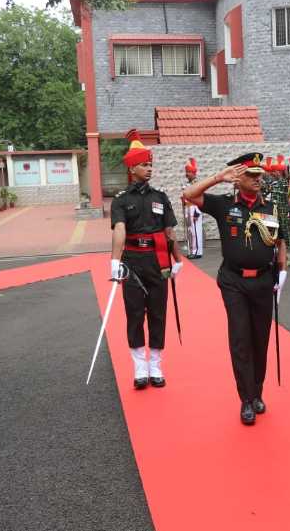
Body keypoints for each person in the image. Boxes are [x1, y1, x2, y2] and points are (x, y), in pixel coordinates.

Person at [182, 152, 288, 425]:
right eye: (251, 175)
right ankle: (246, 399)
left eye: (259, 175)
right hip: (234, 282)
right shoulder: (224, 204)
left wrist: (283, 272)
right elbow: (189, 195)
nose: (258, 179)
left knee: (260, 340)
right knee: (241, 339)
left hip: (264, 280)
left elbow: (280, 242)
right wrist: (218, 177)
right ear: (238, 179)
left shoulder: (271, 207)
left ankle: (258, 392)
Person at [110, 131, 183, 390]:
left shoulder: (160, 197)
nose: (149, 168)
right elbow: (120, 229)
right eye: (144, 164)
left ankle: (156, 365)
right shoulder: (121, 200)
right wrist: (115, 261)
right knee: (134, 313)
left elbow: (169, 231)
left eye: (150, 164)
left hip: (158, 262)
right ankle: (140, 366)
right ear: (132, 168)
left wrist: (177, 259)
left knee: (158, 313)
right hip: (132, 262)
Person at [182, 158, 204, 259]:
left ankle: (197, 252)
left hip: (195, 209)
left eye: (189, 172)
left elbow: (201, 198)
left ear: (194, 173)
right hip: (188, 209)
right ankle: (192, 250)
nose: (187, 174)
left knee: (196, 232)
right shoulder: (186, 184)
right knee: (190, 232)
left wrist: (197, 212)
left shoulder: (198, 184)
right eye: (186, 172)